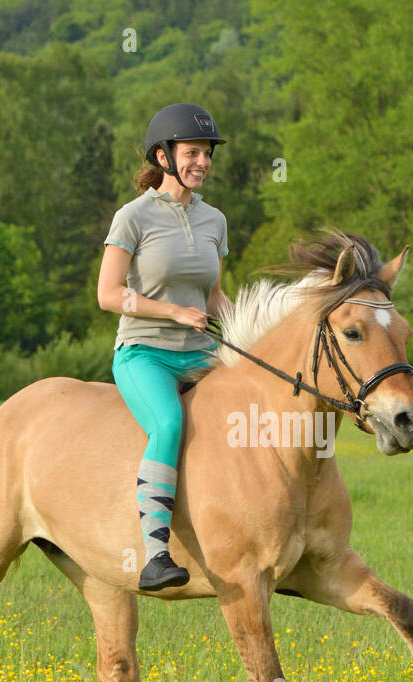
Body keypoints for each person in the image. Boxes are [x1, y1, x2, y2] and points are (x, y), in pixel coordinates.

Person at [97, 103, 232, 591]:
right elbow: (108, 294)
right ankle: (156, 554)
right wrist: (173, 312)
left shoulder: (214, 220)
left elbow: (214, 297)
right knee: (169, 422)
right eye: (193, 152)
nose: (203, 162)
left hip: (201, 352)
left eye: (207, 154)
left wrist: (247, 331)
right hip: (144, 353)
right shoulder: (132, 217)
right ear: (164, 155)